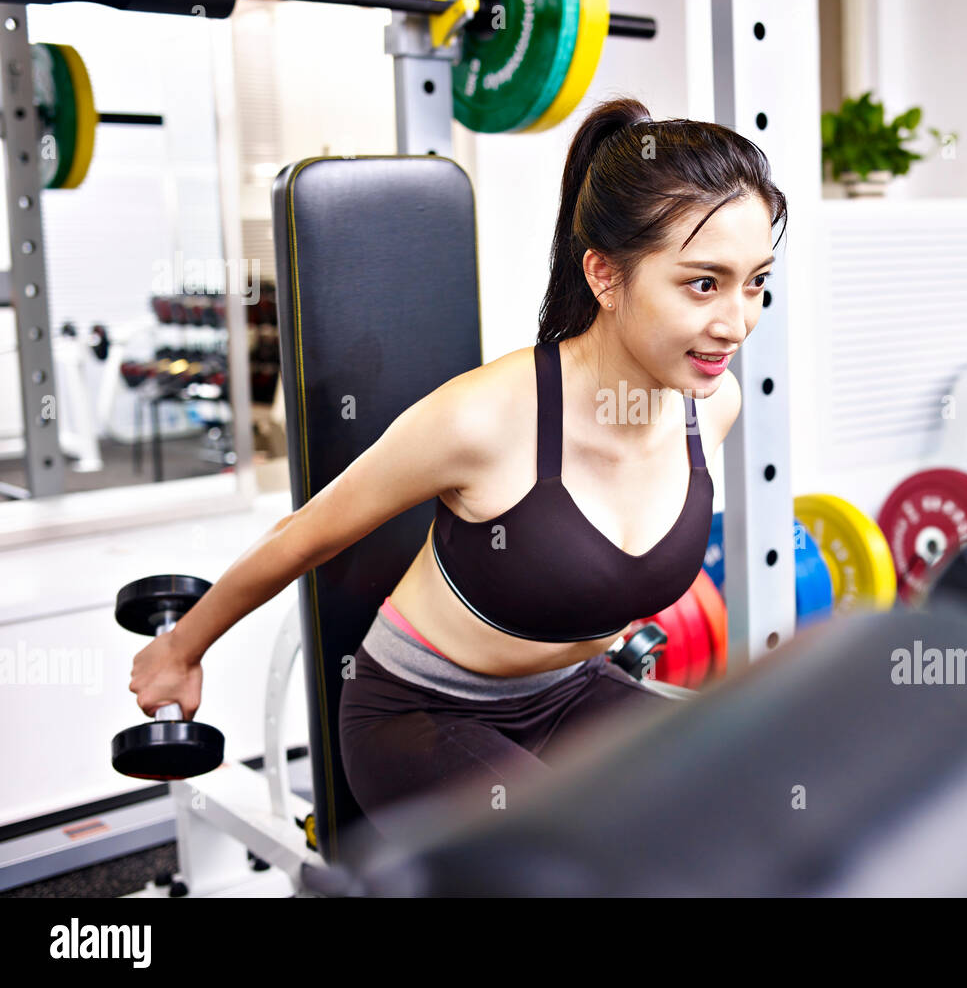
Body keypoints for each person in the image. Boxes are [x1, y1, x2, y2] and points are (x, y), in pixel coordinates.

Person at [126, 96, 788, 833]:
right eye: (704, 283)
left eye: (755, 281)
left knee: (750, 809)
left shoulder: (711, 404)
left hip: (571, 695)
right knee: (572, 870)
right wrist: (180, 649)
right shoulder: (484, 419)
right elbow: (306, 534)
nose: (737, 321)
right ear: (604, 276)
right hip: (420, 715)